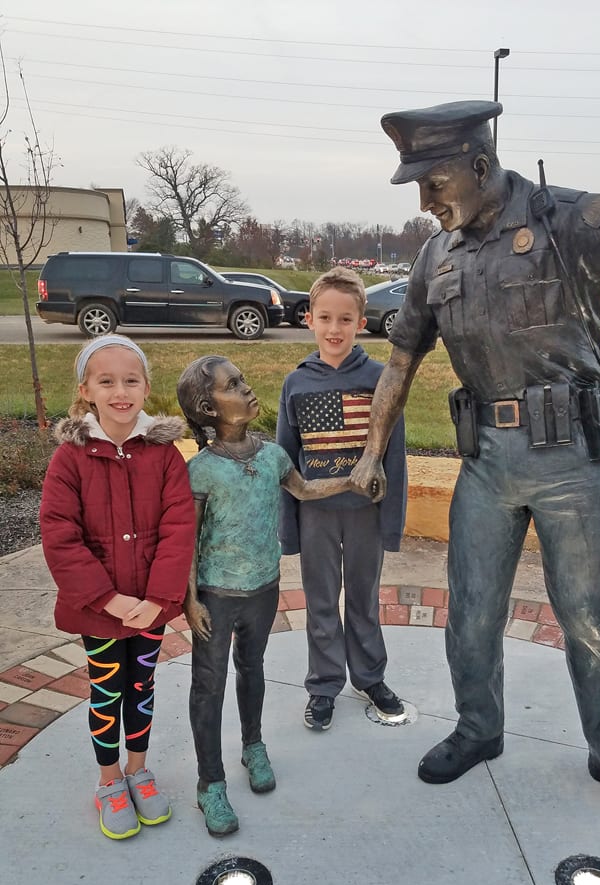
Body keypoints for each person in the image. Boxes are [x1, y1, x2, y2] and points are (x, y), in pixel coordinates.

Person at [351, 72, 600, 830]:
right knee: (470, 611)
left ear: (480, 165)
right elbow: (401, 358)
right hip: (488, 460)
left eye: (434, 183)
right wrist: (370, 451)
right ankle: (478, 729)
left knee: (587, 617)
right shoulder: (437, 258)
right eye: (418, 187)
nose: (425, 202)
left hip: (574, 461)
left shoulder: (567, 218)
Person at [176, 355, 356, 836]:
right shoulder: (202, 471)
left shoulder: (273, 455)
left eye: (243, 379)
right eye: (233, 385)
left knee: (252, 669)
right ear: (207, 408)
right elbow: (188, 541)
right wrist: (189, 599)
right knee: (208, 686)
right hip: (216, 594)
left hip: (263, 587)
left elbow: (304, 489)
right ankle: (210, 782)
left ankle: (252, 745)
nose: (247, 388)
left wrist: (351, 480)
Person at [39, 334, 195, 840]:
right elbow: (60, 534)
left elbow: (178, 527)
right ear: (86, 391)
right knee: (107, 691)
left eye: (130, 380)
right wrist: (107, 598)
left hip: (150, 608)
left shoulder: (164, 455)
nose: (120, 391)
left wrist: (159, 599)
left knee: (142, 687)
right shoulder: (70, 458)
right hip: (99, 610)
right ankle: (109, 780)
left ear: (146, 387)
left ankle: (137, 769)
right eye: (106, 381)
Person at [277, 267, 408, 732]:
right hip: (315, 514)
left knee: (364, 599)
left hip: (365, 514)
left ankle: (370, 677)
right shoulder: (295, 384)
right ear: (309, 320)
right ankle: (324, 684)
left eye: (346, 319)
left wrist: (391, 525)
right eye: (326, 318)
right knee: (320, 602)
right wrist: (289, 530)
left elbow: (395, 457)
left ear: (361, 322)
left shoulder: (380, 380)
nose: (335, 329)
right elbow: (285, 463)